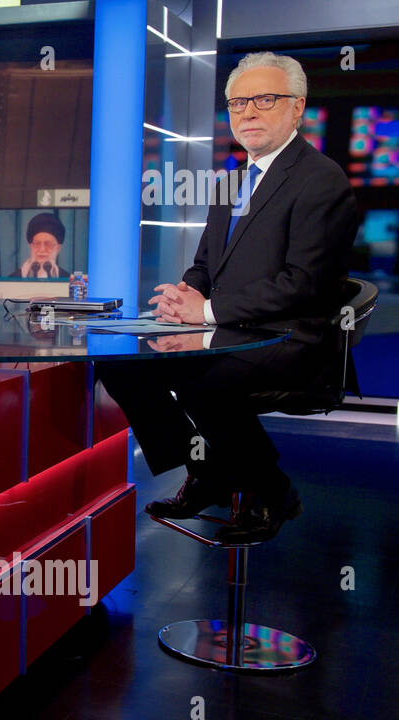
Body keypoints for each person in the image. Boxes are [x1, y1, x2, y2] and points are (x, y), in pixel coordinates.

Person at [97, 52, 359, 542]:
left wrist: (209, 310)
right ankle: (208, 470)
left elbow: (305, 284)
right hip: (228, 333)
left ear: (297, 107)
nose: (248, 113)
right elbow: (204, 265)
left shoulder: (322, 180)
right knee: (119, 363)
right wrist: (186, 293)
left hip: (292, 340)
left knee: (205, 381)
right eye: (238, 103)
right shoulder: (230, 182)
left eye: (265, 99)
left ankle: (271, 488)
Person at [8, 212, 71, 278]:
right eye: (37, 244)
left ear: (58, 248)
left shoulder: (70, 279)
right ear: (31, 246)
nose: (42, 249)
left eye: (48, 244)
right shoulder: (11, 280)